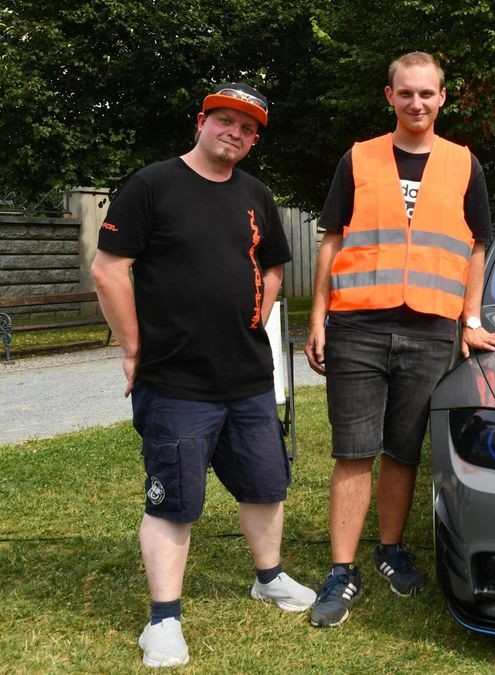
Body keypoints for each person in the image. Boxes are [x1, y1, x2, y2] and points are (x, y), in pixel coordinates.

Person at [91, 83, 316, 668]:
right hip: (175, 382)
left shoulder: (255, 194)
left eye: (248, 129)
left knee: (267, 486)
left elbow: (272, 269)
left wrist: (253, 316)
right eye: (226, 122)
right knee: (174, 502)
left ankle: (268, 577)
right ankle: (163, 619)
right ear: (202, 121)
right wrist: (134, 346)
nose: (236, 134)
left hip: (247, 378)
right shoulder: (152, 185)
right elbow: (109, 270)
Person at [304, 51, 495, 628]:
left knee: (402, 449)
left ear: (443, 97)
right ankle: (341, 570)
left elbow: (477, 246)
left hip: (430, 327)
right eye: (406, 93)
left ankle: (390, 550)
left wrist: (469, 321)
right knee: (353, 450)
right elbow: (333, 239)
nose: (416, 103)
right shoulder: (359, 158)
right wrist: (317, 317)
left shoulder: (464, 164)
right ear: (389, 96)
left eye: (427, 93)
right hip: (358, 325)